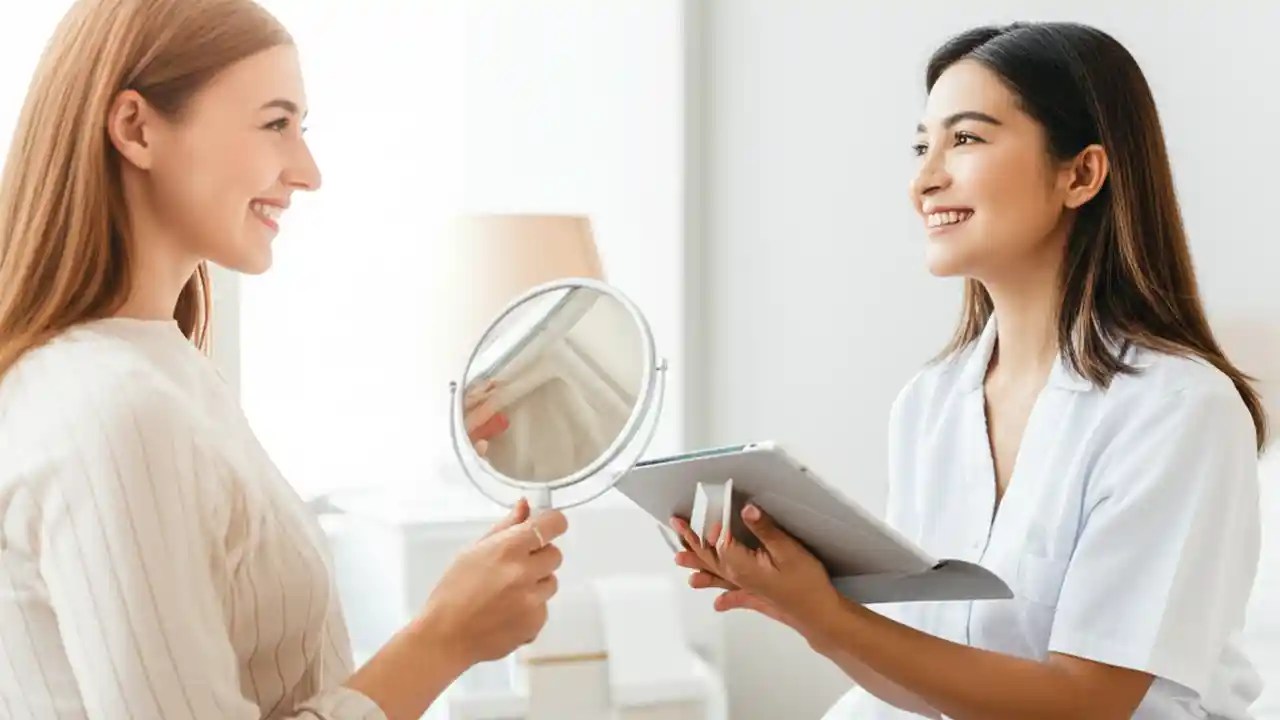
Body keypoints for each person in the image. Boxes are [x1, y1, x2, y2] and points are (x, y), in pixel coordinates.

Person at [671, 22, 1268, 720]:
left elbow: (1089, 702)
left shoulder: (1178, 408)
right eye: (921, 146)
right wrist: (804, 609)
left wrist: (827, 614)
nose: (925, 180)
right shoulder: (929, 404)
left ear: (1081, 174)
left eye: (966, 139)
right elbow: (925, 682)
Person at [0, 1, 562, 718]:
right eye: (275, 124)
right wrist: (443, 639)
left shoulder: (154, 375)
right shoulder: (111, 406)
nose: (308, 171)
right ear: (136, 129)